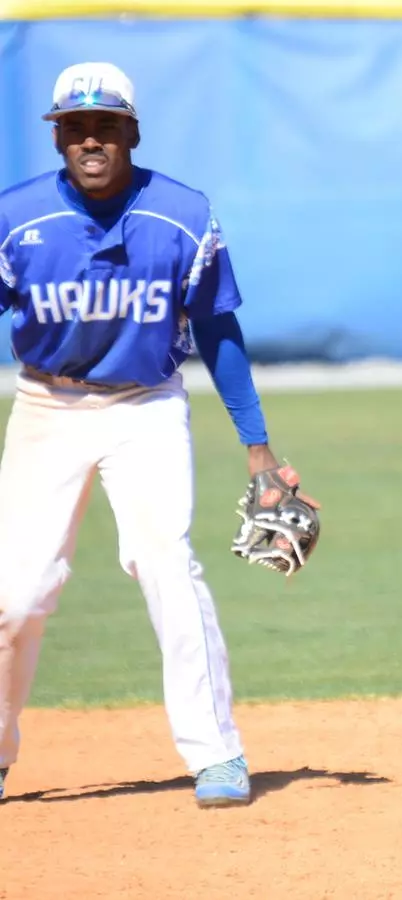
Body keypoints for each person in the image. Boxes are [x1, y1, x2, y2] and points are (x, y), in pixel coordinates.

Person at [0, 61, 289, 808]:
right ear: (58, 138)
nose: (90, 140)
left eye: (106, 126)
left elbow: (218, 328)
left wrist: (257, 446)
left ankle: (217, 754)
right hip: (47, 404)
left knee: (165, 563)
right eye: (75, 127)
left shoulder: (182, 215)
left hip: (146, 405)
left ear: (132, 133)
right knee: (16, 597)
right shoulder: (16, 219)